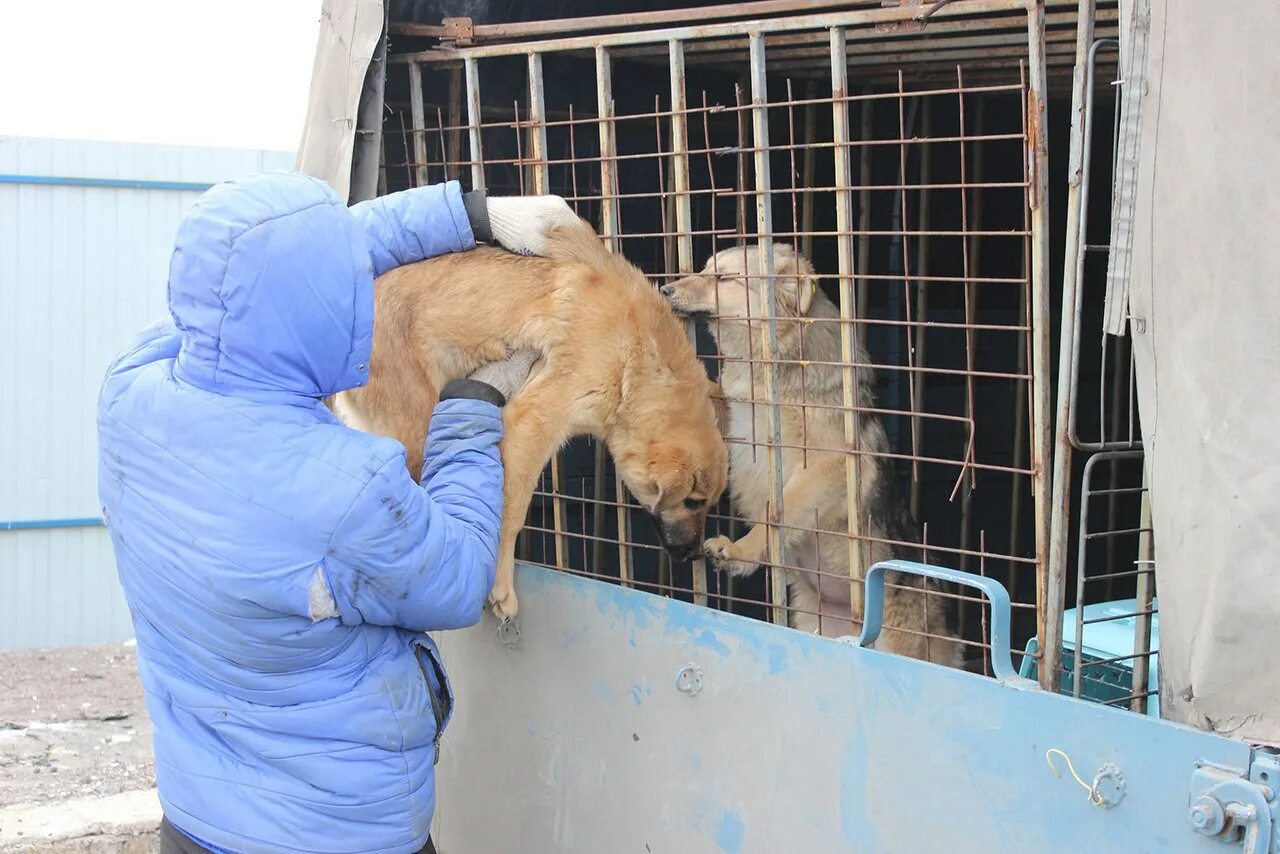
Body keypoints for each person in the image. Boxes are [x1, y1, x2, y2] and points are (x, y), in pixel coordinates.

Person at [96, 171, 578, 853]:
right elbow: (460, 576)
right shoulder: (345, 487)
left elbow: (264, 282)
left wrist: (467, 214)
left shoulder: (132, 390)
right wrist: (470, 408)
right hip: (336, 832)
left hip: (198, 812)